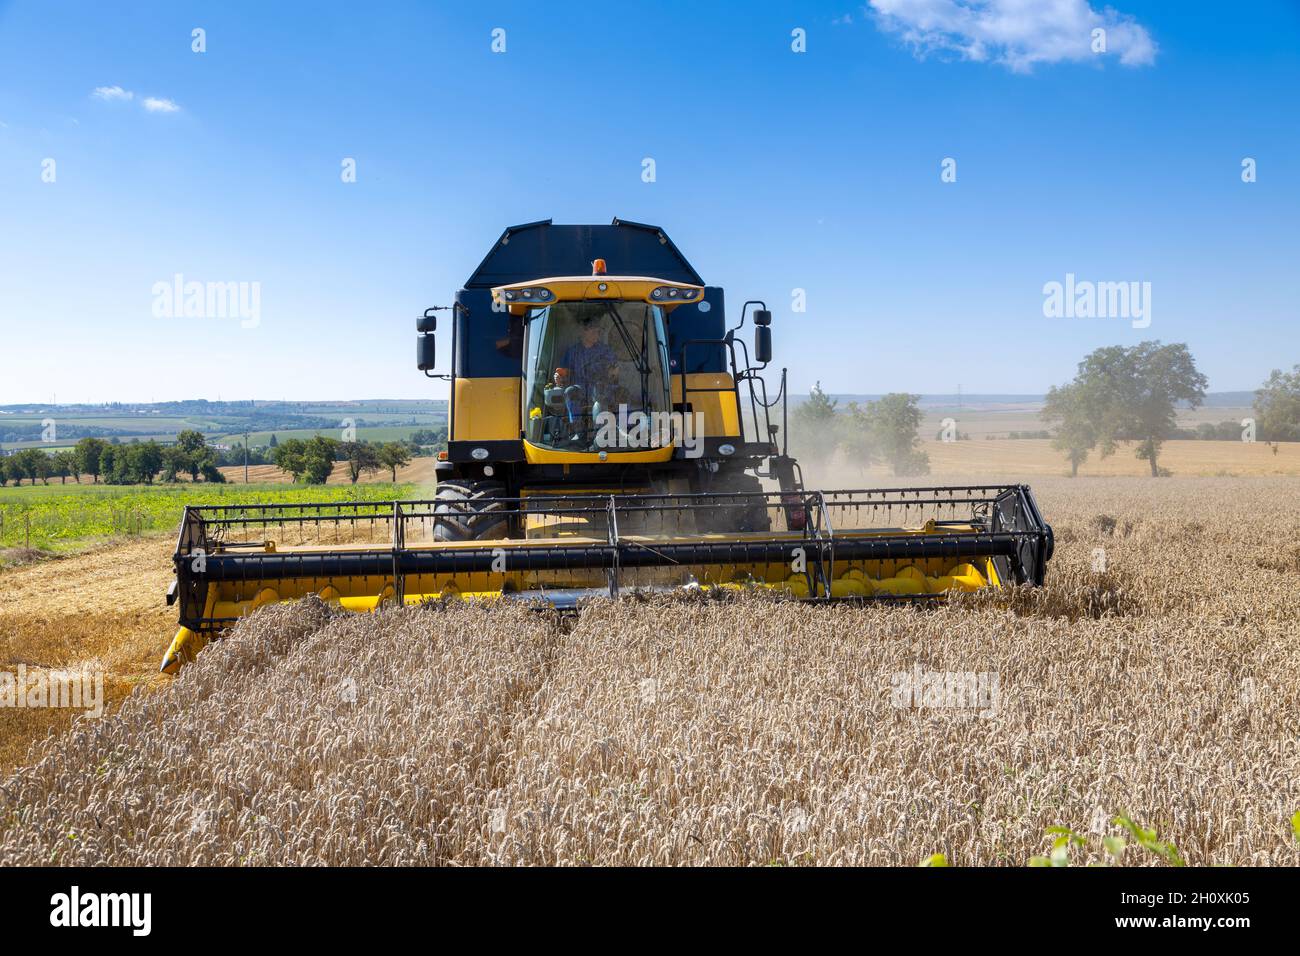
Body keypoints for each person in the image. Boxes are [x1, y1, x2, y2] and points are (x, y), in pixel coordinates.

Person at [561, 318, 618, 400]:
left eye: (598, 332)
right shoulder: (572, 352)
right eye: (593, 331)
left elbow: (614, 372)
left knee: (621, 394)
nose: (597, 335)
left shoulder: (605, 351)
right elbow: (563, 373)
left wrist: (611, 372)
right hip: (579, 392)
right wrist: (559, 377)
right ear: (583, 332)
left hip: (602, 391)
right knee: (570, 392)